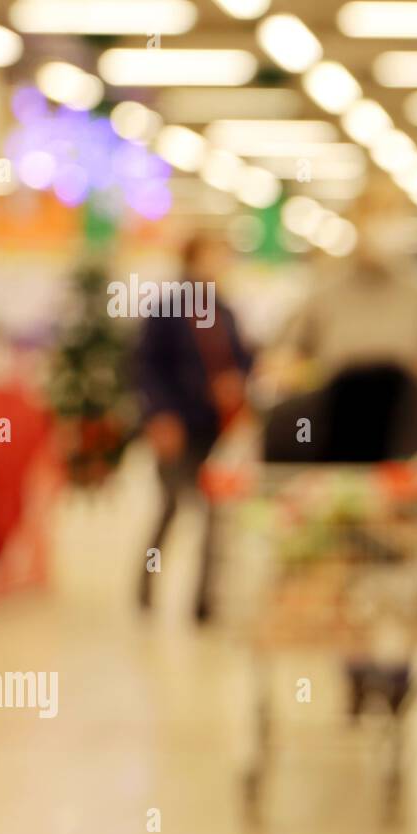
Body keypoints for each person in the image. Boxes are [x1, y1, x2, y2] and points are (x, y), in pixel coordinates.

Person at [134, 233, 252, 623]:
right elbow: (146, 367)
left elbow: (244, 359)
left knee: (215, 516)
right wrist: (160, 414)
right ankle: (146, 590)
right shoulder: (168, 310)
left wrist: (237, 382)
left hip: (215, 429)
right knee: (171, 507)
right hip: (177, 425)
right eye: (213, 254)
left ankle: (204, 603)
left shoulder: (226, 311)